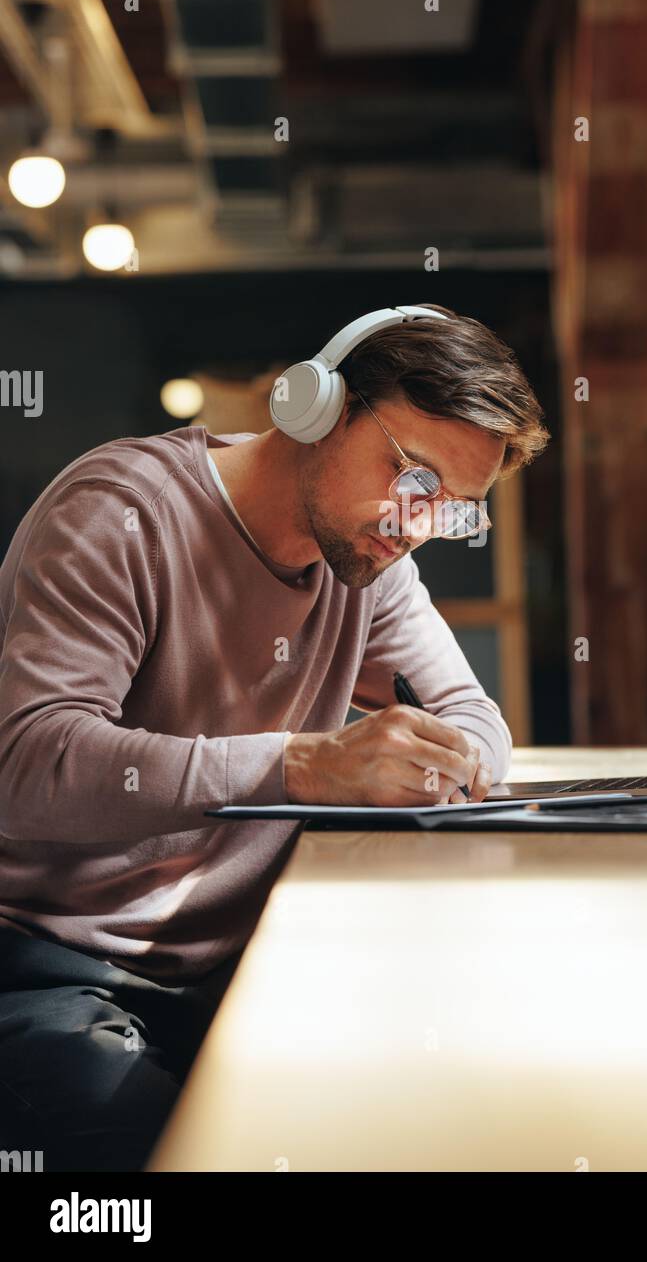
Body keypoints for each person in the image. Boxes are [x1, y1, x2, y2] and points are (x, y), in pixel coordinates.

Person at [0, 302, 549, 1170]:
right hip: (55, 965)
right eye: (410, 476)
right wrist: (302, 766)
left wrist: (449, 760)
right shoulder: (121, 513)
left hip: (244, 962)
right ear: (315, 406)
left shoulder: (367, 560)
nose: (415, 524)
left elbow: (475, 717)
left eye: (449, 508)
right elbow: (31, 766)